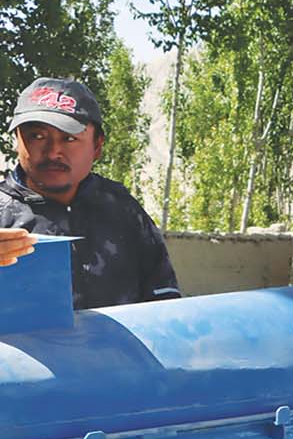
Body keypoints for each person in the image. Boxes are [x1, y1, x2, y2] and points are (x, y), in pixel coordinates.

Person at [2, 77, 179, 309]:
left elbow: (165, 306)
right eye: (37, 136)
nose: (53, 151)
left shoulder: (123, 212)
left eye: (69, 138)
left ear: (97, 146)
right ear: (17, 141)